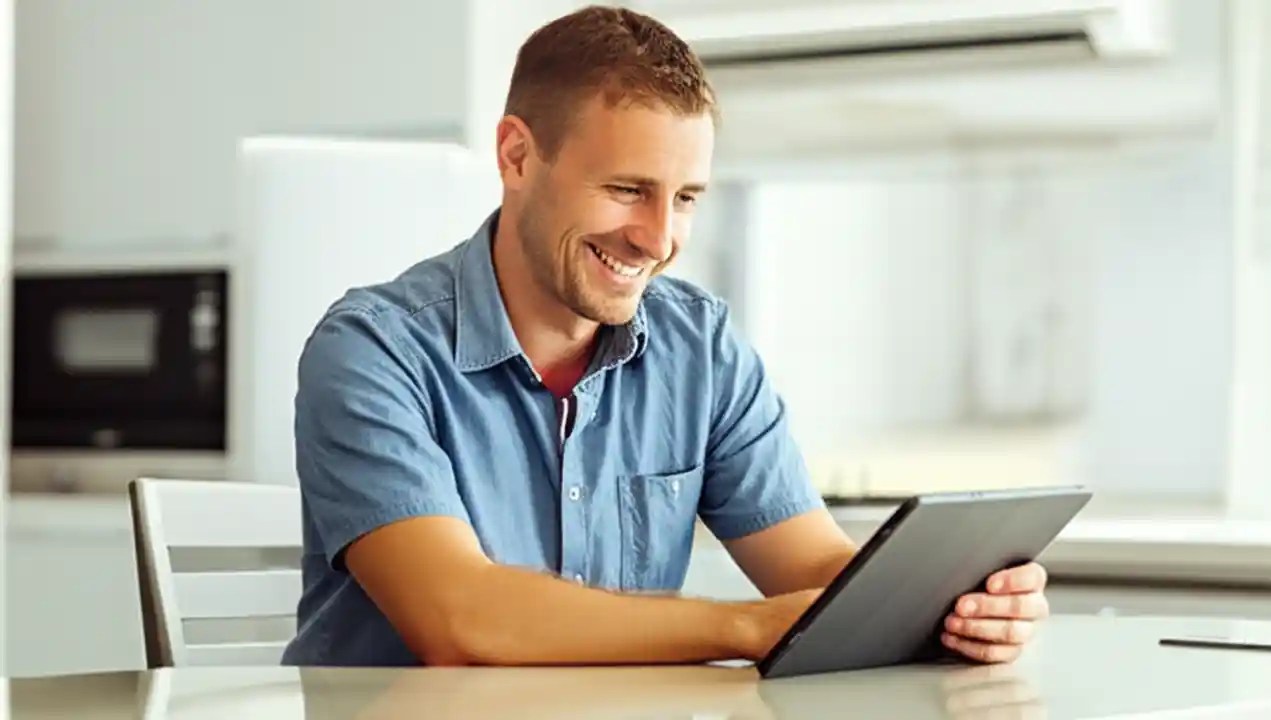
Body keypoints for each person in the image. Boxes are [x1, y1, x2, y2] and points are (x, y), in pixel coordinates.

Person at [282, 5, 1049, 668]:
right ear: (517, 156)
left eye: (685, 198)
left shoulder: (699, 348)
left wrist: (946, 610)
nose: (658, 238)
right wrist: (744, 627)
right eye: (626, 190)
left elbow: (812, 566)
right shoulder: (372, 352)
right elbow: (460, 616)